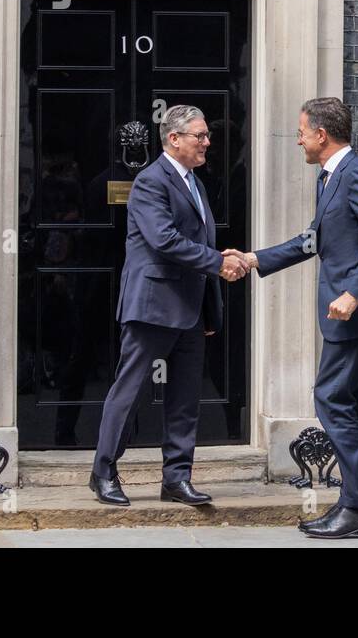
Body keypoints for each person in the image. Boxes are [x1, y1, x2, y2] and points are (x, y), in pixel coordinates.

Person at [237, 97, 358, 539]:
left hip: (354, 313)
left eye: (301, 131)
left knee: (330, 397)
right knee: (354, 406)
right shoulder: (332, 178)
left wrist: (353, 293)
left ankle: (357, 504)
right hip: (354, 312)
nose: (297, 139)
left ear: (321, 135)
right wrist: (257, 258)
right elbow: (314, 239)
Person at [89, 104, 249, 507]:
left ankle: (176, 478)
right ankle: (103, 472)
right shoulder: (150, 181)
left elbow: (201, 240)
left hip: (191, 311)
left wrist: (212, 300)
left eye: (207, 136)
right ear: (174, 139)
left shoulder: (195, 181)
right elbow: (164, 240)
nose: (208, 142)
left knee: (184, 397)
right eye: (200, 136)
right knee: (129, 393)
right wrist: (219, 263)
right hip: (152, 305)